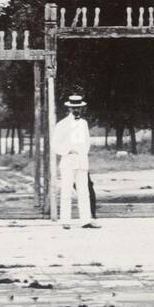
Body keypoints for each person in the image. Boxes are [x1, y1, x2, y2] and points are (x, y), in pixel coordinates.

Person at [54, 94, 93, 223]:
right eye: (74, 108)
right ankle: (65, 220)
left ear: (81, 108)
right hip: (68, 161)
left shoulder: (84, 123)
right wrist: (67, 150)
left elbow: (87, 142)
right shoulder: (62, 124)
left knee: (84, 191)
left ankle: (86, 220)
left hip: (81, 162)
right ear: (69, 109)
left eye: (79, 108)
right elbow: (55, 144)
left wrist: (82, 154)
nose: (77, 110)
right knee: (66, 191)